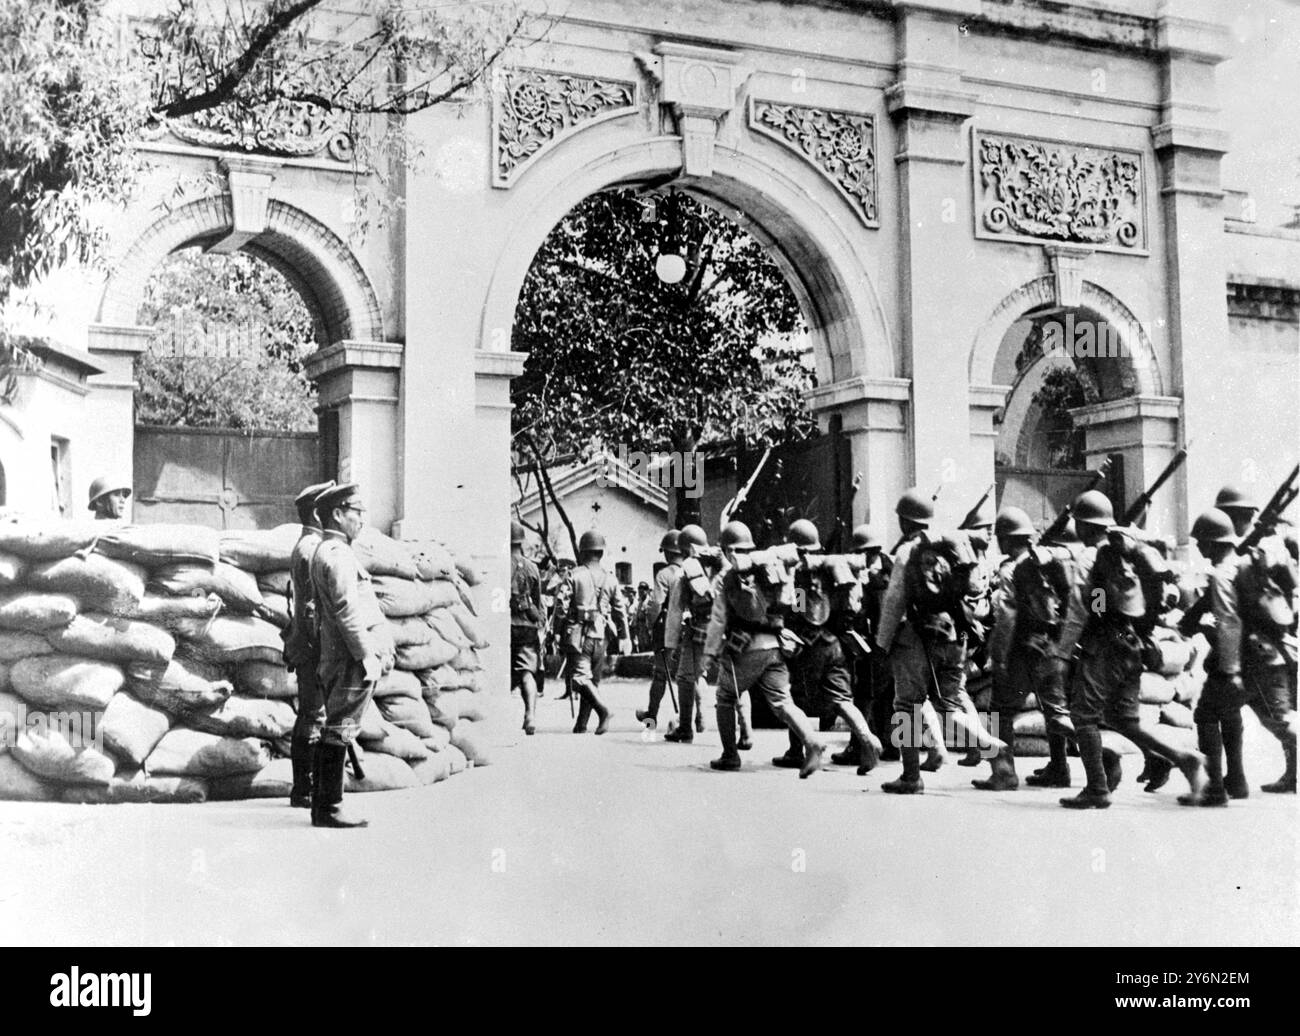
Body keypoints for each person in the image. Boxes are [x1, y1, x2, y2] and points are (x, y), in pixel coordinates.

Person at [1052, 497, 1207, 810]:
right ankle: (1183, 758)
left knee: (1083, 716)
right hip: (1134, 641)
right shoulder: (1130, 554)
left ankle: (1096, 788)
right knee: (1126, 720)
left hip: (1105, 644)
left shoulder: (1090, 558)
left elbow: (1084, 609)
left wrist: (1063, 653)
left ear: (1082, 525)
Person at [876, 488, 1006, 795]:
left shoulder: (909, 550)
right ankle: (994, 755)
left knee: (906, 705)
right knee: (950, 704)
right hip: (954, 635)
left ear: (905, 522)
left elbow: (894, 600)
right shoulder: (957, 547)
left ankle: (911, 777)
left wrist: (882, 644)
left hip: (917, 639)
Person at [702, 520, 825, 777]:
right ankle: (814, 741)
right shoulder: (777, 569)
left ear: (726, 550)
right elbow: (796, 604)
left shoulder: (729, 577)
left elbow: (718, 619)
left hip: (746, 647)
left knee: (725, 697)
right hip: (777, 645)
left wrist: (709, 653)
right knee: (783, 702)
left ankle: (730, 755)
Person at [308, 483, 395, 828]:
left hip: (339, 656)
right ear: (338, 514)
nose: (361, 520)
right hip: (348, 659)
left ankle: (323, 805)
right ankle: (329, 806)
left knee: (336, 727)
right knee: (340, 729)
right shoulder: (338, 554)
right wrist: (366, 656)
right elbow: (346, 610)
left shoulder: (327, 551)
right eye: (356, 513)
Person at [774, 519, 882, 775]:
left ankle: (795, 751)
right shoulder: (833, 567)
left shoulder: (801, 573)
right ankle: (867, 740)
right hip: (836, 643)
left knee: (795, 698)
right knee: (843, 699)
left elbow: (799, 611)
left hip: (810, 645)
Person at [1213, 484, 1298, 792]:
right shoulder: (1264, 549)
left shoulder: (1256, 551)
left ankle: (1216, 775)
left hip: (1259, 647)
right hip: (1270, 644)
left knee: (1274, 716)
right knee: (1260, 714)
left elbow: (1231, 615)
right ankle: (1236, 778)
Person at [282, 479, 336, 809]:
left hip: (309, 644)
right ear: (317, 513)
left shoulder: (307, 546)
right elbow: (312, 609)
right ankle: (304, 788)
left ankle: (305, 786)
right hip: (313, 646)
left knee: (311, 715)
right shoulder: (310, 549)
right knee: (312, 717)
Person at [568, 530, 630, 734]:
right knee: (592, 680)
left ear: (583, 552)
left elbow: (561, 605)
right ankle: (582, 723)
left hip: (579, 634)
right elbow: (621, 610)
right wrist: (624, 636)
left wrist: (559, 630)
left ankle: (604, 711)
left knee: (579, 677)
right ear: (601, 553)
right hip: (601, 635)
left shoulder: (574, 575)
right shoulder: (611, 579)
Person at [664, 524, 715, 742]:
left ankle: (685, 727)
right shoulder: (721, 565)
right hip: (725, 629)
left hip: (698, 632)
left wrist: (670, 644)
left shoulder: (684, 571)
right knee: (725, 676)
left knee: (685, 676)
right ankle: (742, 731)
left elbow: (675, 611)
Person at [637, 531, 683, 729]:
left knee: (660, 675)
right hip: (690, 629)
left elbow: (656, 604)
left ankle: (651, 717)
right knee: (691, 676)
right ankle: (698, 720)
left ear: (667, 552)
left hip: (667, 631)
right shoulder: (692, 571)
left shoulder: (664, 574)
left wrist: (651, 625)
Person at [510, 520, 544, 736]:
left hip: (506, 625)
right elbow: (538, 602)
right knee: (526, 673)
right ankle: (530, 714)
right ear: (522, 541)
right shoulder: (532, 567)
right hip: (527, 627)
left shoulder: (499, 565)